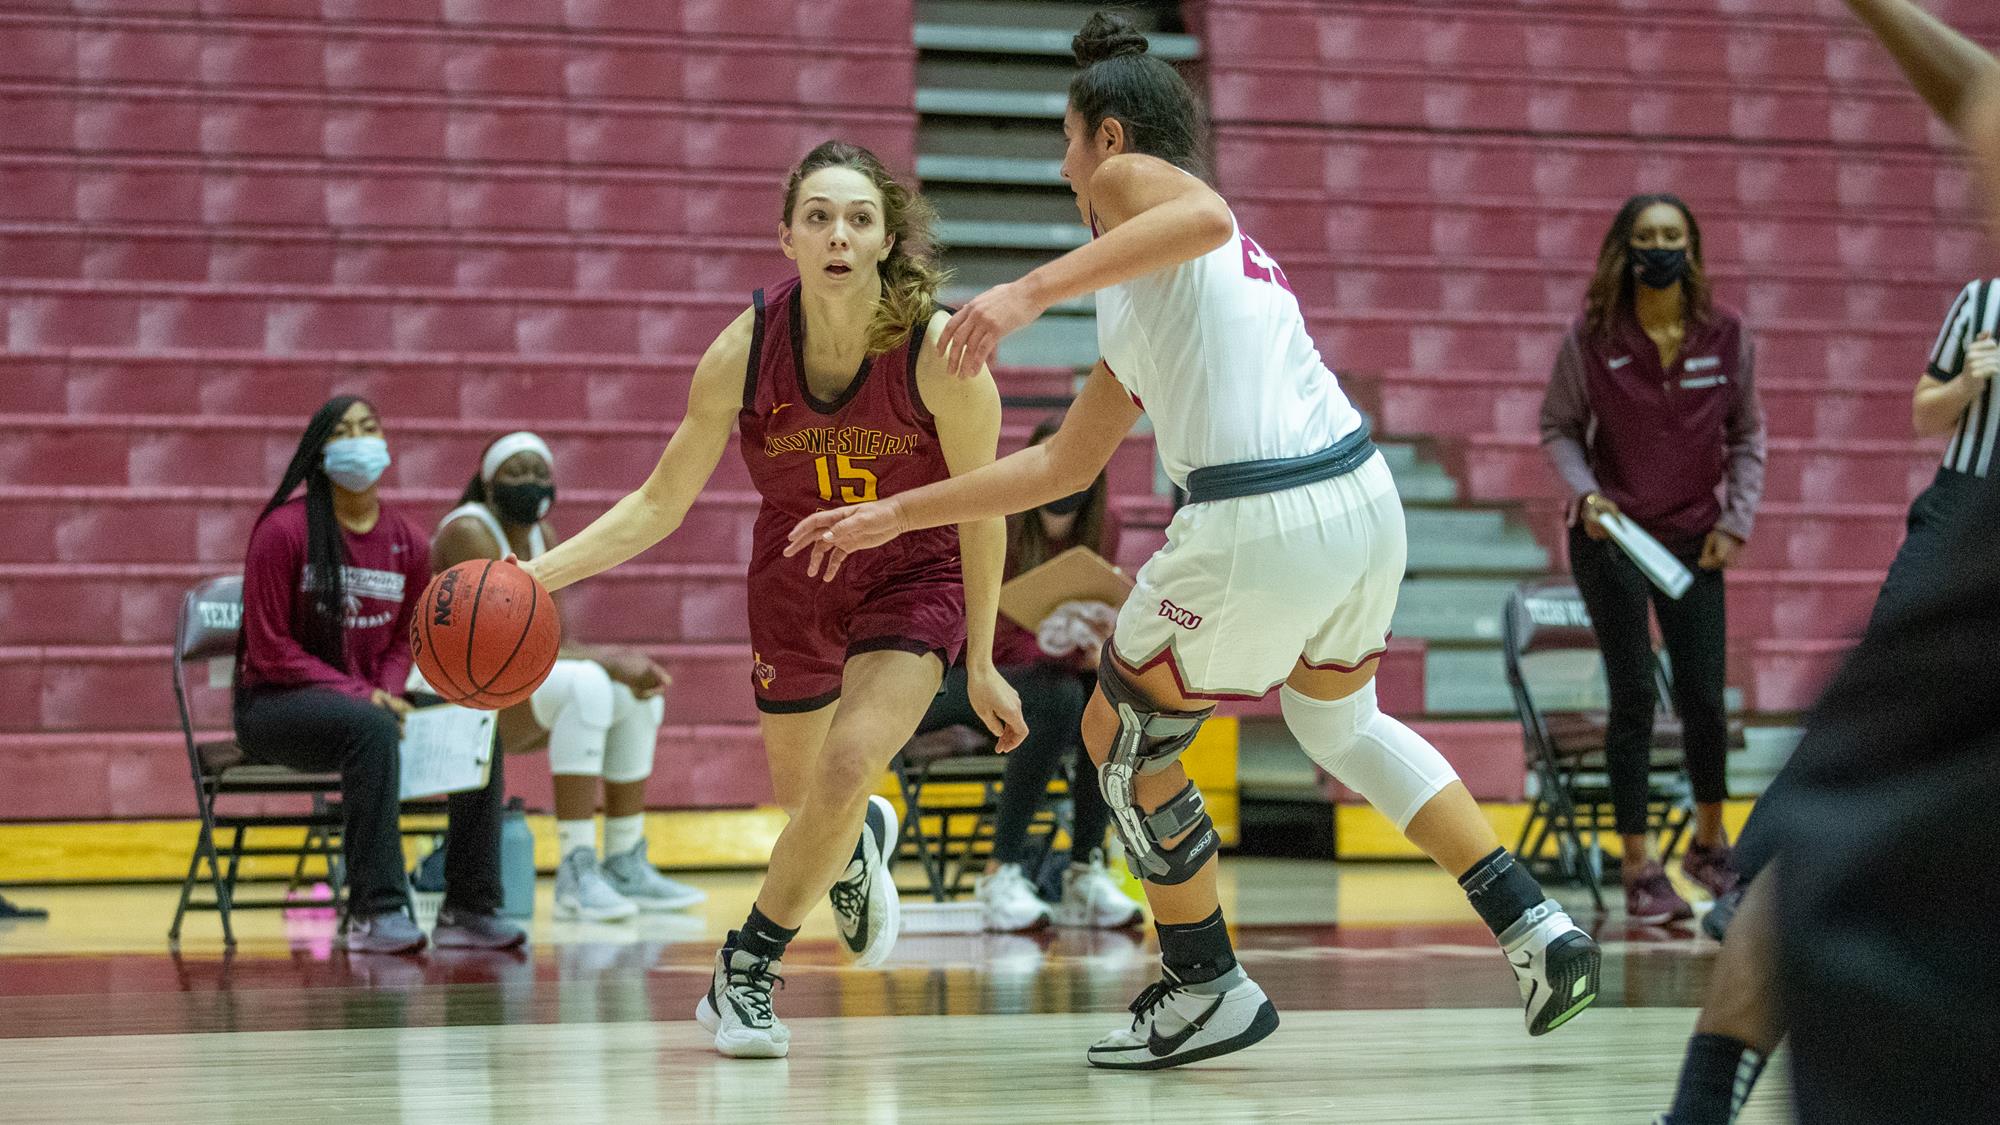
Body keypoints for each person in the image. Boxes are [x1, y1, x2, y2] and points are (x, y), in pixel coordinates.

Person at [789, 12, 1600, 1070]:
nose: (1065, 168)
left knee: (1116, 738)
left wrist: (1027, 289)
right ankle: (1533, 926)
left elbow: (1204, 212)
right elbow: (1060, 470)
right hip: (1357, 503)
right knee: (1338, 726)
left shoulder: (1146, 198)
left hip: (1257, 511)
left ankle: (1202, 980)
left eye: (1070, 146)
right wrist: (900, 511)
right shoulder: (1147, 299)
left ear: (1111, 142)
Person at [518, 141, 1022, 1059]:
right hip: (795, 578)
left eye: (859, 218)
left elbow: (987, 510)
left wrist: (983, 657)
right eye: (819, 216)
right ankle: (858, 831)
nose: (839, 234)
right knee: (812, 811)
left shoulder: (939, 352)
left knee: (844, 765)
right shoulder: (744, 350)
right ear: (786, 236)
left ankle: (742, 971)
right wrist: (532, 579)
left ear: (885, 241)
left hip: (915, 574)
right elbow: (658, 504)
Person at [1656, 4, 2000, 1123]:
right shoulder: (1978, 308)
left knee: (1841, 826)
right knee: (1833, 820)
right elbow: (1923, 408)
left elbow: (1979, 107)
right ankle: (1702, 1099)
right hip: (1965, 512)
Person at [1539, 193, 1767, 924]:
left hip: (1696, 538)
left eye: (1673, 235)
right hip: (1613, 538)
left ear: (1692, 249)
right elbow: (1559, 427)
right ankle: (1640, 867)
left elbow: (1748, 437)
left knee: (1703, 694)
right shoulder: (1593, 337)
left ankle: (1708, 842)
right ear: (1624, 249)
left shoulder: (1727, 337)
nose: (1660, 247)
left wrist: (1736, 520)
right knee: (1633, 694)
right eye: (1647, 236)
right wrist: (1587, 493)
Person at [234, 397, 526, 955]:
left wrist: (387, 692)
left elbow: (406, 639)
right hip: (275, 706)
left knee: (477, 720)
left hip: (371, 704)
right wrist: (363, 695)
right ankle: (376, 910)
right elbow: (270, 652)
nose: (359, 439)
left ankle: (468, 907)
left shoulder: (407, 542)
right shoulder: (282, 531)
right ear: (320, 454)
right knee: (367, 726)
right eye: (343, 431)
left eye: (368, 427)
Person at [431, 431, 705, 921]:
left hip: (509, 683)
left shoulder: (544, 536)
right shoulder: (467, 532)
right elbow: (498, 639)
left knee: (639, 696)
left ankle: (623, 859)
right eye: (517, 472)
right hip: (457, 688)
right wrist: (607, 661)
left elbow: (551, 639)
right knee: (590, 685)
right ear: (488, 482)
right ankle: (575, 873)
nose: (531, 483)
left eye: (540, 473)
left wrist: (614, 661)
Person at [920, 415, 1142, 931]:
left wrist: (1094, 643)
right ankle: (1002, 870)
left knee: (1109, 700)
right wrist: (1062, 647)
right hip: (961, 677)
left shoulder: (1103, 525)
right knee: (1059, 697)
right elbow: (978, 629)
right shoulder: (999, 518)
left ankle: (1085, 868)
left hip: (1041, 680)